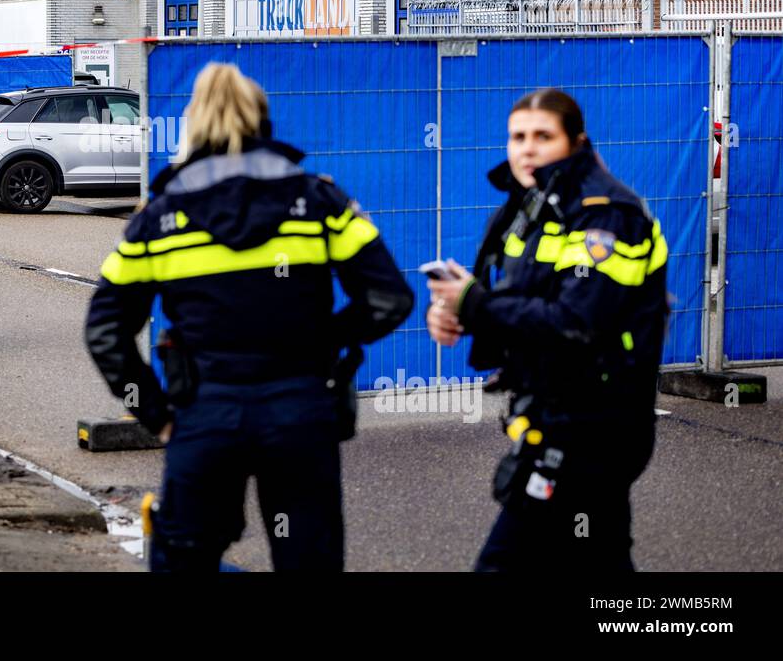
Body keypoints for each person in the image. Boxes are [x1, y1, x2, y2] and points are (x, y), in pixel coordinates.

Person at [84, 63, 414, 572]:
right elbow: (390, 299)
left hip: (204, 417)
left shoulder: (159, 219)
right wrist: (320, 343)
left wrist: (157, 415)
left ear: (193, 127)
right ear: (263, 124)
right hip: (303, 414)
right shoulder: (320, 202)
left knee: (185, 561)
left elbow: (106, 329)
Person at [426, 88, 668, 572]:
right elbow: (523, 306)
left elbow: (576, 324)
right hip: (556, 414)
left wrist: (474, 303)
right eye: (517, 136)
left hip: (594, 426)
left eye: (543, 136)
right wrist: (457, 313)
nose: (527, 149)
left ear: (575, 142)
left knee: (503, 564)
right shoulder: (531, 208)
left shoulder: (605, 215)